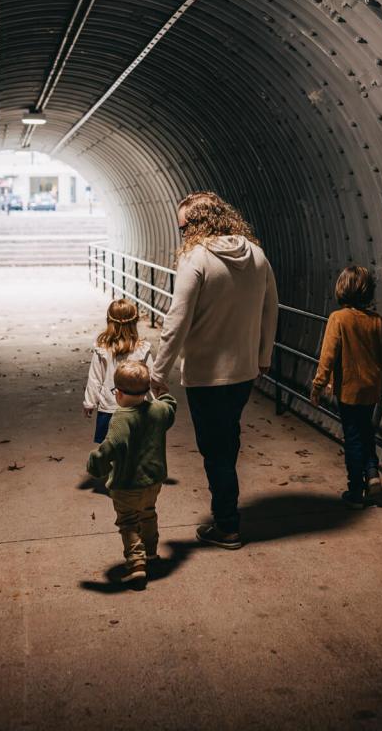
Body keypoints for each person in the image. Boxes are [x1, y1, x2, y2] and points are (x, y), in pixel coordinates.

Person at [150, 191, 279, 550]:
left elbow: (177, 319)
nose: (181, 234)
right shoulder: (257, 254)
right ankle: (226, 513)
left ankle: (227, 524)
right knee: (229, 441)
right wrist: (263, 355)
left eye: (182, 227)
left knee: (215, 451)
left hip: (206, 375)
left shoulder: (197, 258)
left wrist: (158, 372)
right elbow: (272, 308)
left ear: (195, 224)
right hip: (243, 371)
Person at [86, 359, 177, 585]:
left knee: (128, 522)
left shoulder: (121, 418)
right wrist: (163, 392)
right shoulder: (158, 410)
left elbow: (110, 447)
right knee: (148, 514)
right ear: (147, 391)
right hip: (153, 481)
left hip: (127, 485)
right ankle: (151, 553)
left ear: (117, 393)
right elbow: (170, 406)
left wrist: (95, 463)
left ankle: (136, 562)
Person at [310, 265, 382, 508]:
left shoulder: (338, 319)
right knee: (366, 430)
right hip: (371, 388)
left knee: (353, 437)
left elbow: (328, 357)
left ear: (342, 288)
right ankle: (373, 474)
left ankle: (356, 490)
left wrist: (318, 386)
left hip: (348, 390)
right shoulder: (377, 321)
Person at [83, 298, 154, 444]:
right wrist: (157, 402)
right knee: (137, 447)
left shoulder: (102, 349)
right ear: (135, 322)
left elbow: (95, 378)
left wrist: (90, 402)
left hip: (109, 408)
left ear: (109, 321)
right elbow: (151, 378)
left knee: (110, 449)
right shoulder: (142, 349)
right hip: (138, 408)